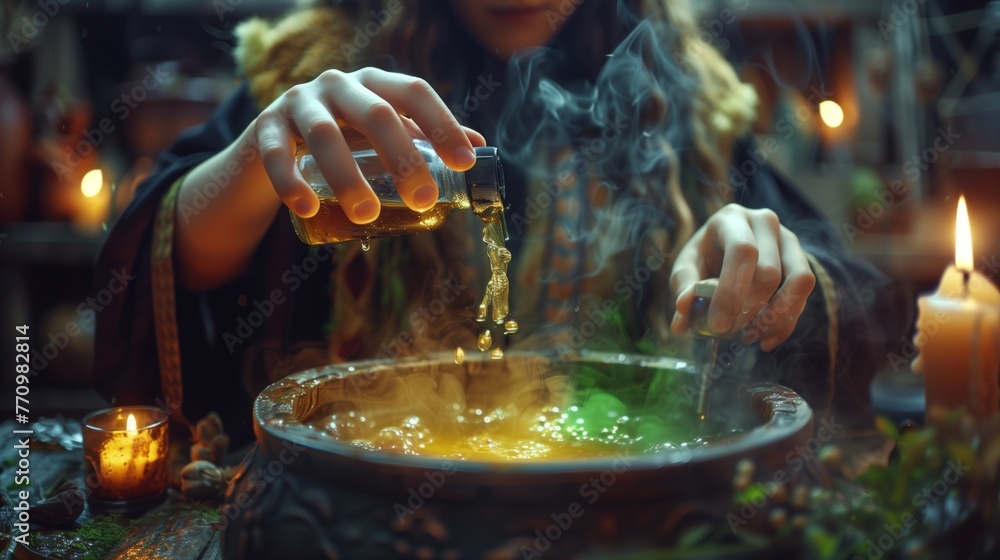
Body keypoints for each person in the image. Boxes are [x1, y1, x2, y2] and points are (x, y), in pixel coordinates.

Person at [95, 0, 902, 444]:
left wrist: (758, 262)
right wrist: (253, 161)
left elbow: (856, 317)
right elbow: (163, 270)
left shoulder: (685, 100)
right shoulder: (323, 59)